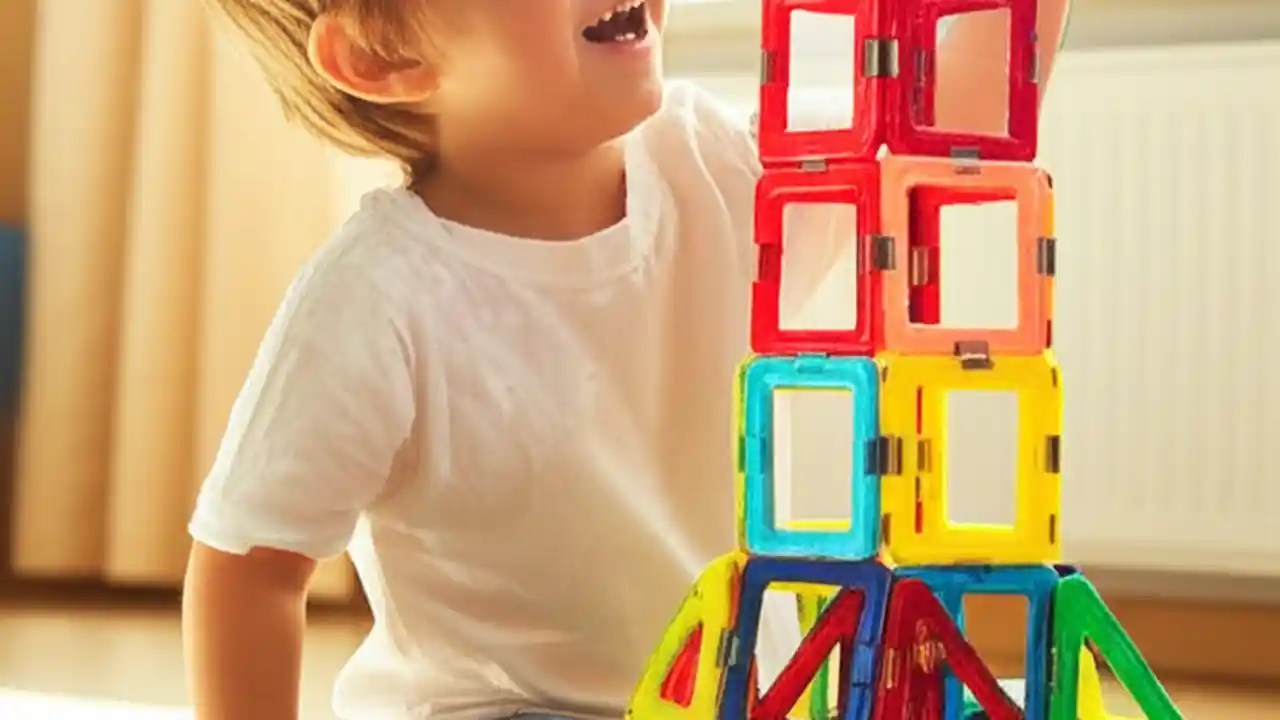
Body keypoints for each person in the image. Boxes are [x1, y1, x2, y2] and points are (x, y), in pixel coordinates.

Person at [182, 2, 1071, 719]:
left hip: (737, 692)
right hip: (505, 707)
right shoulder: (377, 297)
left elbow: (950, 105)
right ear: (385, 58)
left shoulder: (711, 164)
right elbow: (251, 565)